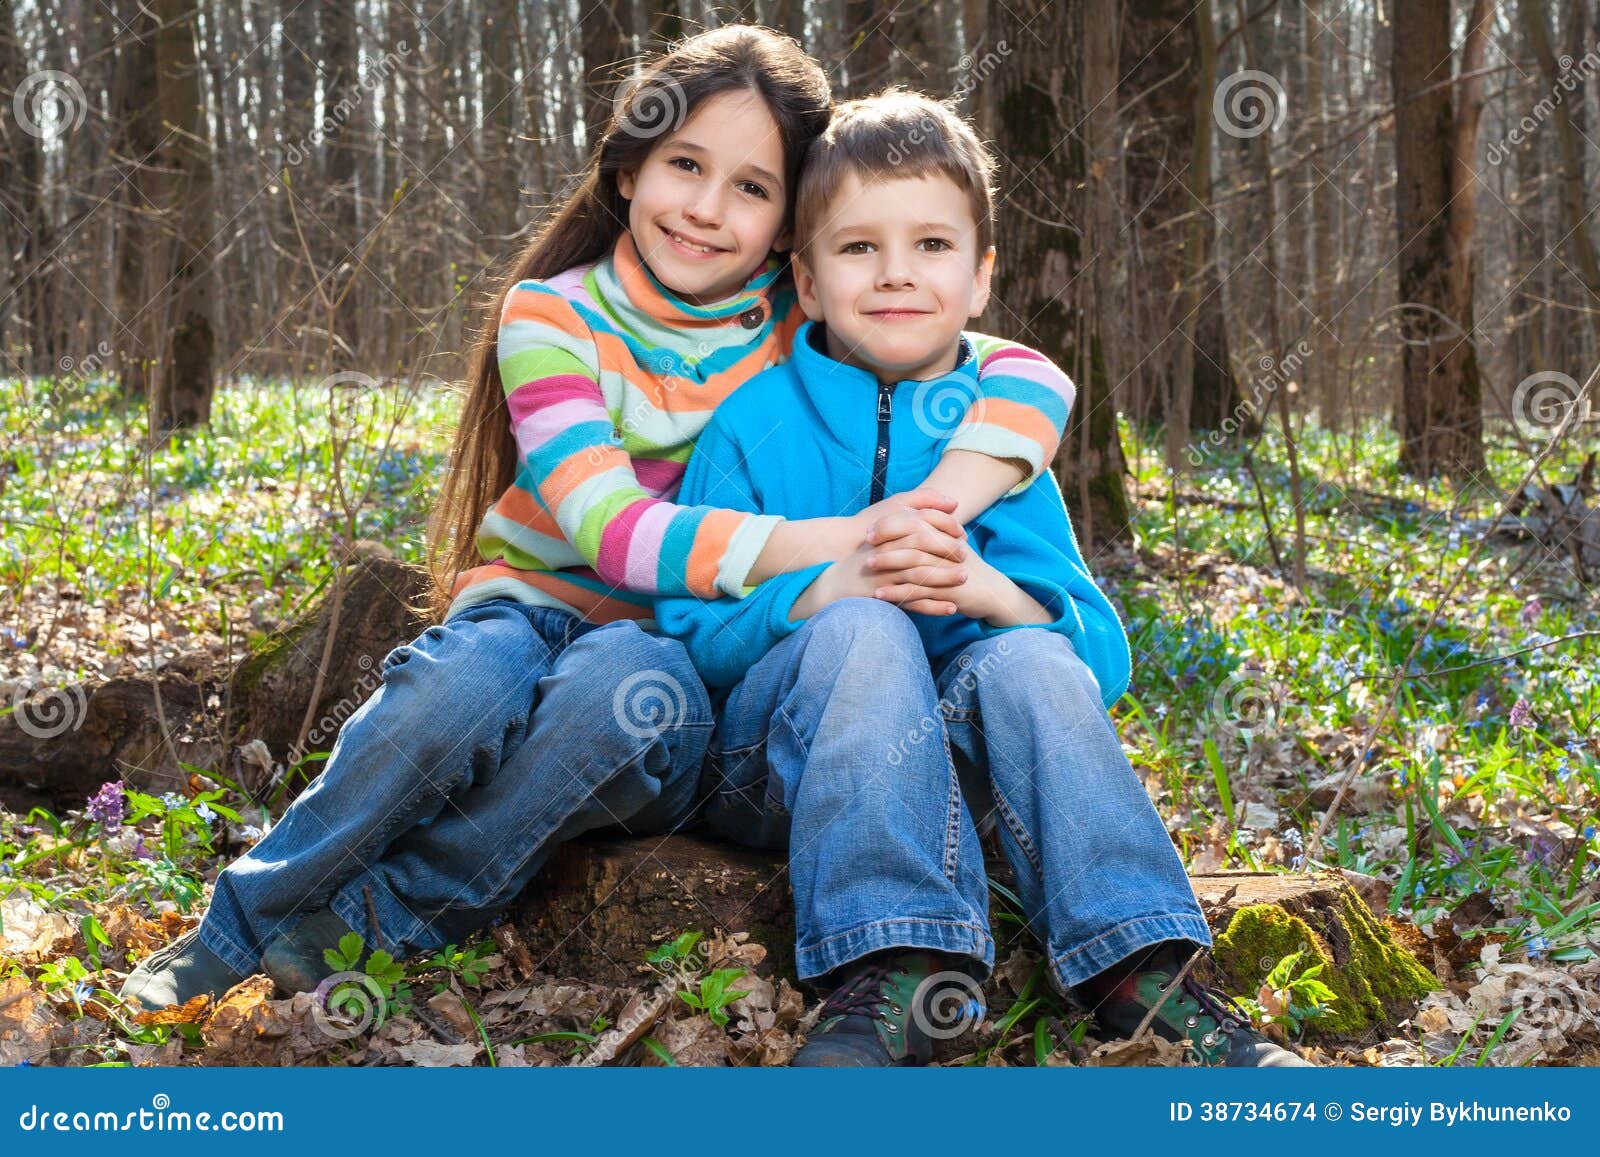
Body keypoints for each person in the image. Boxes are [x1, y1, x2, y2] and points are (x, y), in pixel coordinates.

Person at [119, 27, 1076, 1011]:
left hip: (668, 647)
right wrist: (853, 539)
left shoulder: (807, 320)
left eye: (751, 188)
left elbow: (1026, 375)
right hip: (527, 607)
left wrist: (937, 507)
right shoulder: (552, 316)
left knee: (610, 698)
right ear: (628, 170)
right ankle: (237, 920)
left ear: (792, 228)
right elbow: (610, 531)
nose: (707, 209)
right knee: (454, 696)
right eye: (685, 166)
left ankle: (384, 915)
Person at [656, 90, 1314, 1067]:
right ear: (803, 276)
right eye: (856, 248)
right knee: (864, 631)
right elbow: (688, 635)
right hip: (780, 759)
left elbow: (1095, 661)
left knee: (1026, 661)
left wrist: (985, 590)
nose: (894, 274)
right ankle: (895, 964)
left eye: (930, 245)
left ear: (979, 278)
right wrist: (820, 591)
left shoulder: (1000, 441)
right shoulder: (753, 426)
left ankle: (1141, 967)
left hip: (962, 767)